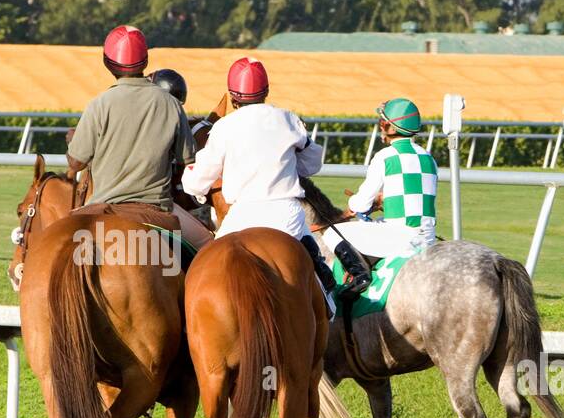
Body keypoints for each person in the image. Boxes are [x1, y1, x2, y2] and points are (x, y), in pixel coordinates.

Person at [181, 56, 366, 311]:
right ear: (266, 92)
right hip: (286, 216)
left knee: (208, 266)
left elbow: (198, 180)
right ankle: (327, 296)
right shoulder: (288, 119)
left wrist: (193, 185)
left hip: (242, 217)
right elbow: (312, 164)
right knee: (319, 276)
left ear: (234, 99)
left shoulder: (223, 128)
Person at [66, 26, 213, 249]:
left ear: (108, 64)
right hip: (157, 209)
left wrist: (73, 141)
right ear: (145, 62)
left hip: (102, 206)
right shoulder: (171, 104)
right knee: (208, 245)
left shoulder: (98, 104)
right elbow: (186, 159)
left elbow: (75, 163)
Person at [323, 97, 438, 271]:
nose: (381, 127)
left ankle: (360, 277)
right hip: (428, 237)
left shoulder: (385, 156)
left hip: (401, 237)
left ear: (390, 127)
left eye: (383, 123)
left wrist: (356, 203)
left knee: (332, 234)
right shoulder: (429, 158)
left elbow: (360, 204)